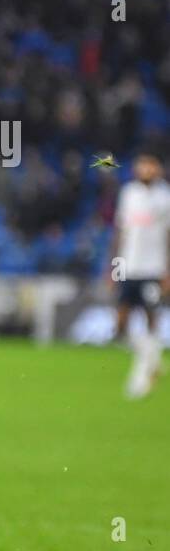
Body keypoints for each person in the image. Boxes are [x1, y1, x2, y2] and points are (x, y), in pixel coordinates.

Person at [110, 152, 170, 398]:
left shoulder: (165, 197)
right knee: (121, 324)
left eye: (149, 164)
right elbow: (120, 233)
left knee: (150, 318)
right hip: (128, 267)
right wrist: (114, 267)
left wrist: (168, 272)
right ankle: (152, 360)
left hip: (153, 269)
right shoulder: (128, 193)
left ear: (157, 168)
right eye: (141, 164)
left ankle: (144, 372)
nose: (145, 168)